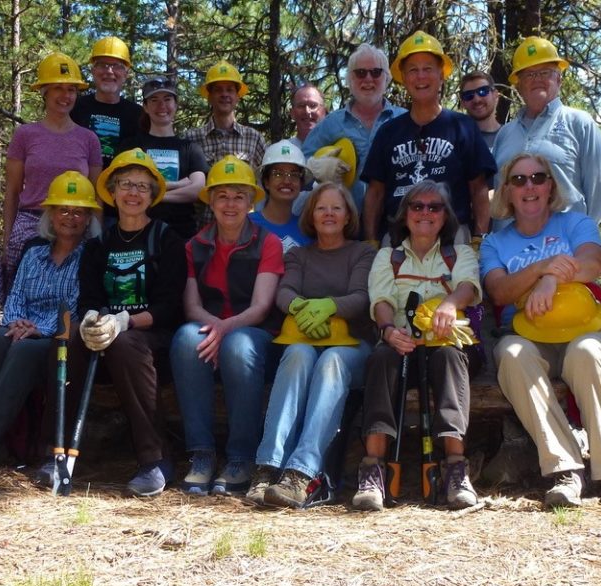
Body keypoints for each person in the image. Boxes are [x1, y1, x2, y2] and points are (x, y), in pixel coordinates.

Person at [480, 153, 601, 508]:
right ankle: (566, 470)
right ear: (507, 191)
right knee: (511, 354)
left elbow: (593, 263)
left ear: (551, 186)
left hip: (583, 328)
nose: (530, 186)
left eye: (538, 177)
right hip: (529, 334)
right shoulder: (495, 242)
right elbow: (499, 291)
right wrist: (543, 266)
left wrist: (551, 278)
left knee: (588, 353)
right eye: (519, 180)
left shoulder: (575, 223)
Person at [0, 172, 97, 474]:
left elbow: (77, 306)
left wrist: (40, 330)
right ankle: (2, 441)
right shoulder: (33, 252)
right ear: (50, 214)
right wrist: (15, 323)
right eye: (63, 210)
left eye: (79, 211)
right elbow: (16, 296)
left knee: (25, 349)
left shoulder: (90, 256)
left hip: (59, 337)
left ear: (89, 218)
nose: (70, 217)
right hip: (23, 328)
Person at [351, 180, 482, 511]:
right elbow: (381, 300)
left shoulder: (460, 253)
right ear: (404, 213)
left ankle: (455, 469)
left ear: (445, 215)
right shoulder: (388, 256)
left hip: (446, 343)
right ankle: (373, 471)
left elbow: (467, 286)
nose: (426, 213)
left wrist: (449, 304)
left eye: (434, 207)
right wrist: (388, 330)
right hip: (403, 343)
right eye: (417, 206)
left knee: (450, 358)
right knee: (381, 358)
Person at [248, 183, 376, 507]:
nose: (329, 214)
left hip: (351, 348)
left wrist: (329, 307)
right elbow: (284, 292)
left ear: (348, 216)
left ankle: (301, 474)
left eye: (336, 208)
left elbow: (361, 297)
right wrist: (300, 308)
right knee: (296, 354)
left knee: (331, 361)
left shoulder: (362, 252)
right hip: (305, 341)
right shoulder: (298, 255)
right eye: (321, 208)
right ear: (311, 215)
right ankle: (267, 467)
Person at [73, 149, 188, 497]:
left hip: (154, 338)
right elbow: (89, 298)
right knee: (67, 343)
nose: (133, 193)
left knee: (124, 343)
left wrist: (125, 321)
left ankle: (155, 459)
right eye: (125, 184)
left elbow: (170, 306)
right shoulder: (98, 246)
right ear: (112, 191)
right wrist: (91, 321)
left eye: (142, 186)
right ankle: (56, 451)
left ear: (152, 195)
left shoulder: (166, 239)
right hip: (106, 336)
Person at [171, 155, 285, 497]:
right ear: (210, 201)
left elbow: (261, 307)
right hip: (211, 328)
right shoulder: (194, 245)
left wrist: (225, 329)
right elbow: (192, 307)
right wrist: (217, 328)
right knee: (185, 338)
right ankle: (202, 454)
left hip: (255, 334)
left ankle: (241, 457)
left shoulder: (268, 242)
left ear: (251, 202)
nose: (230, 204)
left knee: (238, 345)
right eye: (222, 196)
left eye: (239, 196)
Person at [362, 31, 496, 243]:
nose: (421, 76)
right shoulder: (388, 132)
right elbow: (375, 193)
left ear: (441, 75)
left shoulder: (463, 127)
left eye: (428, 69)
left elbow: (479, 188)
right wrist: (371, 241)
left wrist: (479, 237)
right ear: (403, 78)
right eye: (413, 70)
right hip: (398, 239)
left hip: (452, 238)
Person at [0, 52, 102, 304]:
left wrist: (97, 237)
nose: (66, 96)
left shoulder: (89, 139)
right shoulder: (25, 135)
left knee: (84, 273)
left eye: (71, 89)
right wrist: (7, 237)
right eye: (58, 88)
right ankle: (15, 319)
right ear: (44, 91)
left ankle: (73, 322)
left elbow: (97, 194)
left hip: (75, 220)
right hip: (32, 218)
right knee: (18, 258)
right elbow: (12, 191)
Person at [491, 37, 601, 229]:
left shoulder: (580, 124)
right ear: (518, 85)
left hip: (567, 242)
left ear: (559, 79)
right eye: (529, 74)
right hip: (510, 245)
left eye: (545, 72)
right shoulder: (504, 134)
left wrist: (581, 236)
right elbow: (499, 194)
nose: (537, 79)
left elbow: (598, 191)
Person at [303, 43, 405, 214]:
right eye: (360, 73)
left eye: (376, 72)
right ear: (349, 80)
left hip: (396, 222)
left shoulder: (404, 120)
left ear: (387, 78)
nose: (368, 79)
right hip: (345, 222)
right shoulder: (331, 123)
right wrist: (314, 167)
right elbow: (299, 165)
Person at [118, 75, 207, 240]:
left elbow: (198, 189)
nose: (162, 105)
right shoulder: (131, 146)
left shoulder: (190, 148)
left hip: (181, 234)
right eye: (154, 100)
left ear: (176, 105)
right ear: (145, 106)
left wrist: (151, 195)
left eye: (167, 99)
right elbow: (125, 187)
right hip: (137, 233)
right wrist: (179, 184)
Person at [69, 36, 143, 168]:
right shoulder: (75, 107)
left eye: (117, 66)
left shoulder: (138, 115)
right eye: (102, 65)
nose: (109, 71)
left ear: (125, 74)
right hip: (77, 180)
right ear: (93, 71)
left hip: (122, 181)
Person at [183, 61, 267, 170]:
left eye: (230, 90)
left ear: (237, 97)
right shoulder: (191, 139)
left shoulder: (254, 138)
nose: (224, 94)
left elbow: (268, 175)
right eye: (218, 90)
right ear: (209, 97)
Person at [250, 140, 313, 252]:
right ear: (266, 182)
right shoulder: (247, 225)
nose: (287, 181)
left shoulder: (306, 230)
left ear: (301, 183)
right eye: (278, 174)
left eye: (294, 174)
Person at [457, 70, 502, 151]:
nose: (477, 100)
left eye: (483, 91)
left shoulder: (511, 135)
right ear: (463, 103)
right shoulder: (455, 141)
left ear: (495, 95)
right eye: (469, 95)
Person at [287, 83, 326, 148]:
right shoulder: (281, 150)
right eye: (301, 106)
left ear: (323, 112)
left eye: (313, 105)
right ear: (292, 113)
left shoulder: (338, 147)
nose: (307, 112)